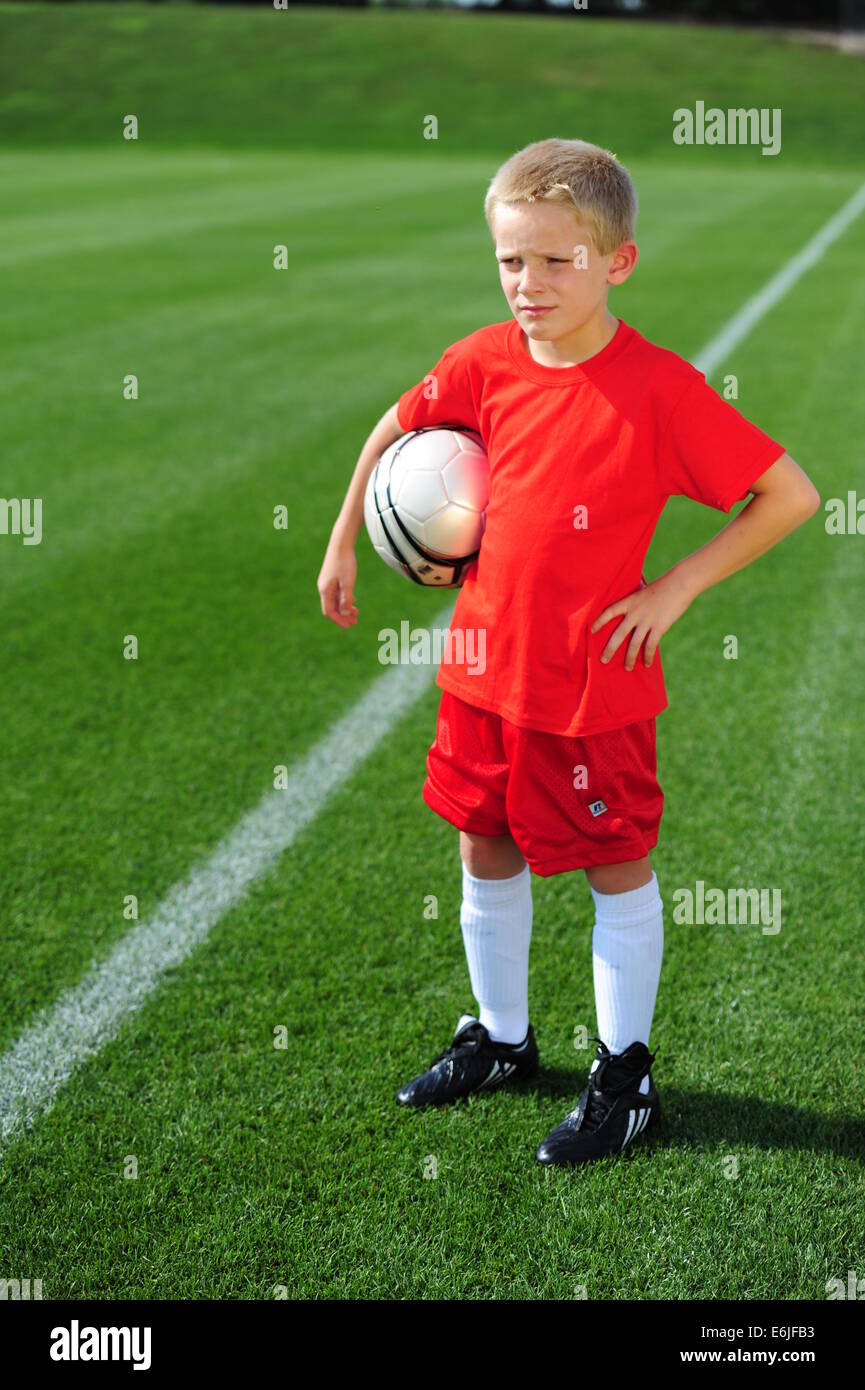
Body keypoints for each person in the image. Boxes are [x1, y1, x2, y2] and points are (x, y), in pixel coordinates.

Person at [316, 138, 820, 1166]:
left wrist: (674, 588)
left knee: (611, 864)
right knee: (481, 838)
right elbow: (397, 422)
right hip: (481, 670)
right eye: (511, 261)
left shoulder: (658, 389)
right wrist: (342, 540)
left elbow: (790, 494)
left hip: (588, 685)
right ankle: (501, 1038)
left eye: (556, 262)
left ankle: (624, 1078)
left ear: (616, 262)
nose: (528, 284)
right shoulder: (481, 360)